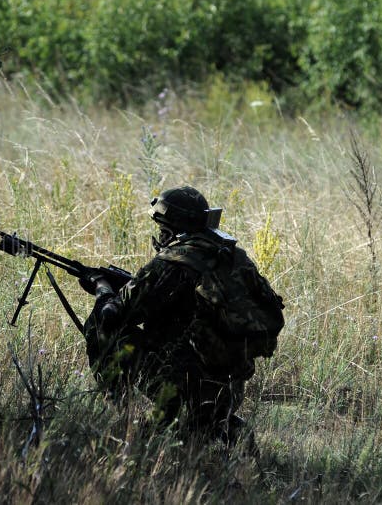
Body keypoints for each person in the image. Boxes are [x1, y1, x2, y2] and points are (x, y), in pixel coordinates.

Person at [80, 186, 284, 448]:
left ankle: (125, 413)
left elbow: (115, 313)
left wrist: (101, 286)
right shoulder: (232, 256)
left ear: (170, 227)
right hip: (230, 389)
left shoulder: (174, 261)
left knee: (101, 327)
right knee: (196, 427)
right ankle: (209, 421)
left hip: (184, 385)